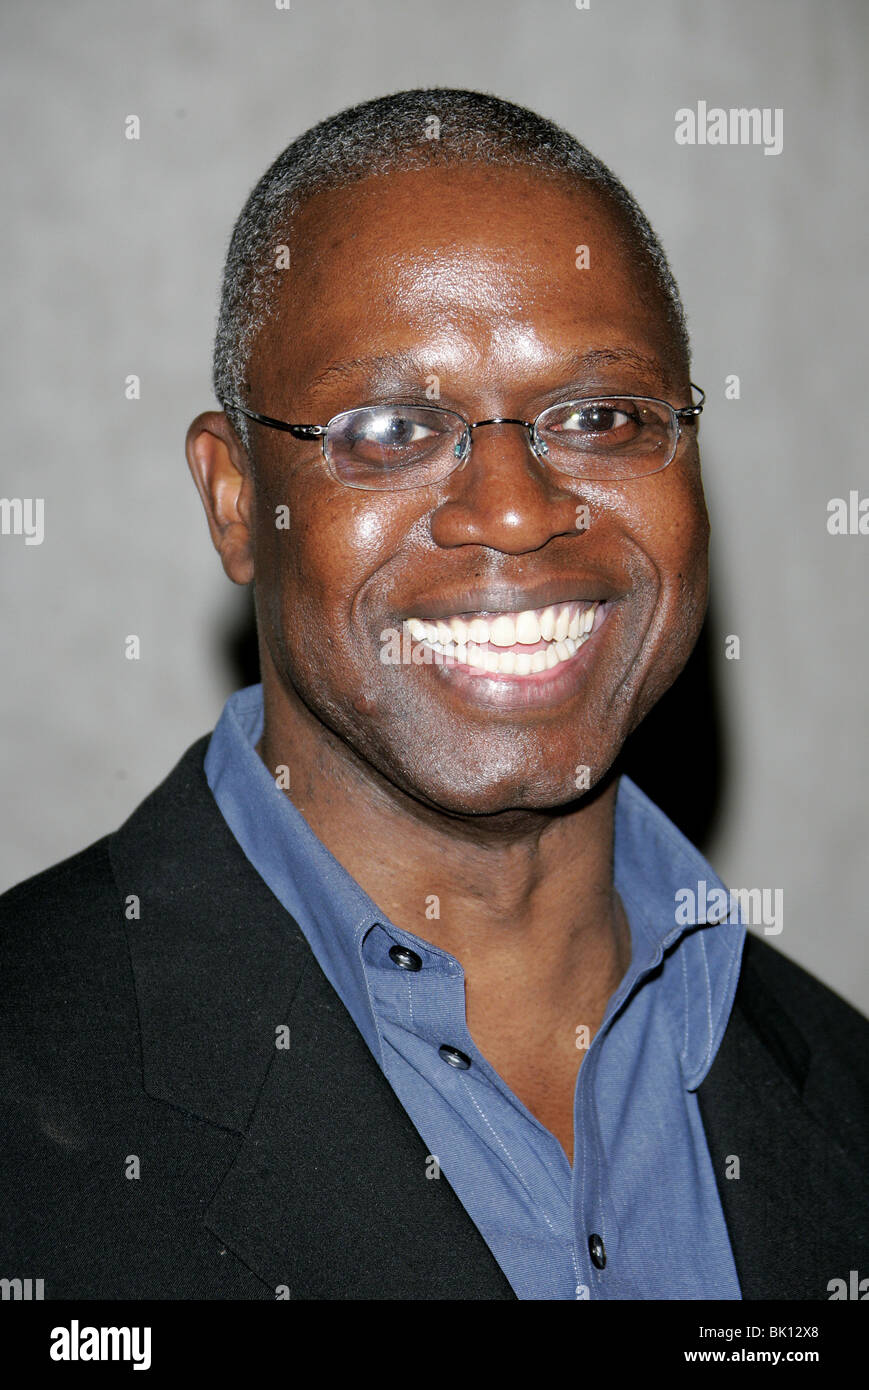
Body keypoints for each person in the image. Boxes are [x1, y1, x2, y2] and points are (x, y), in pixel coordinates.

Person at [1, 88, 866, 1302]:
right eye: (391, 426)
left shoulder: (839, 1092)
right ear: (237, 499)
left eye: (599, 415)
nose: (513, 509)